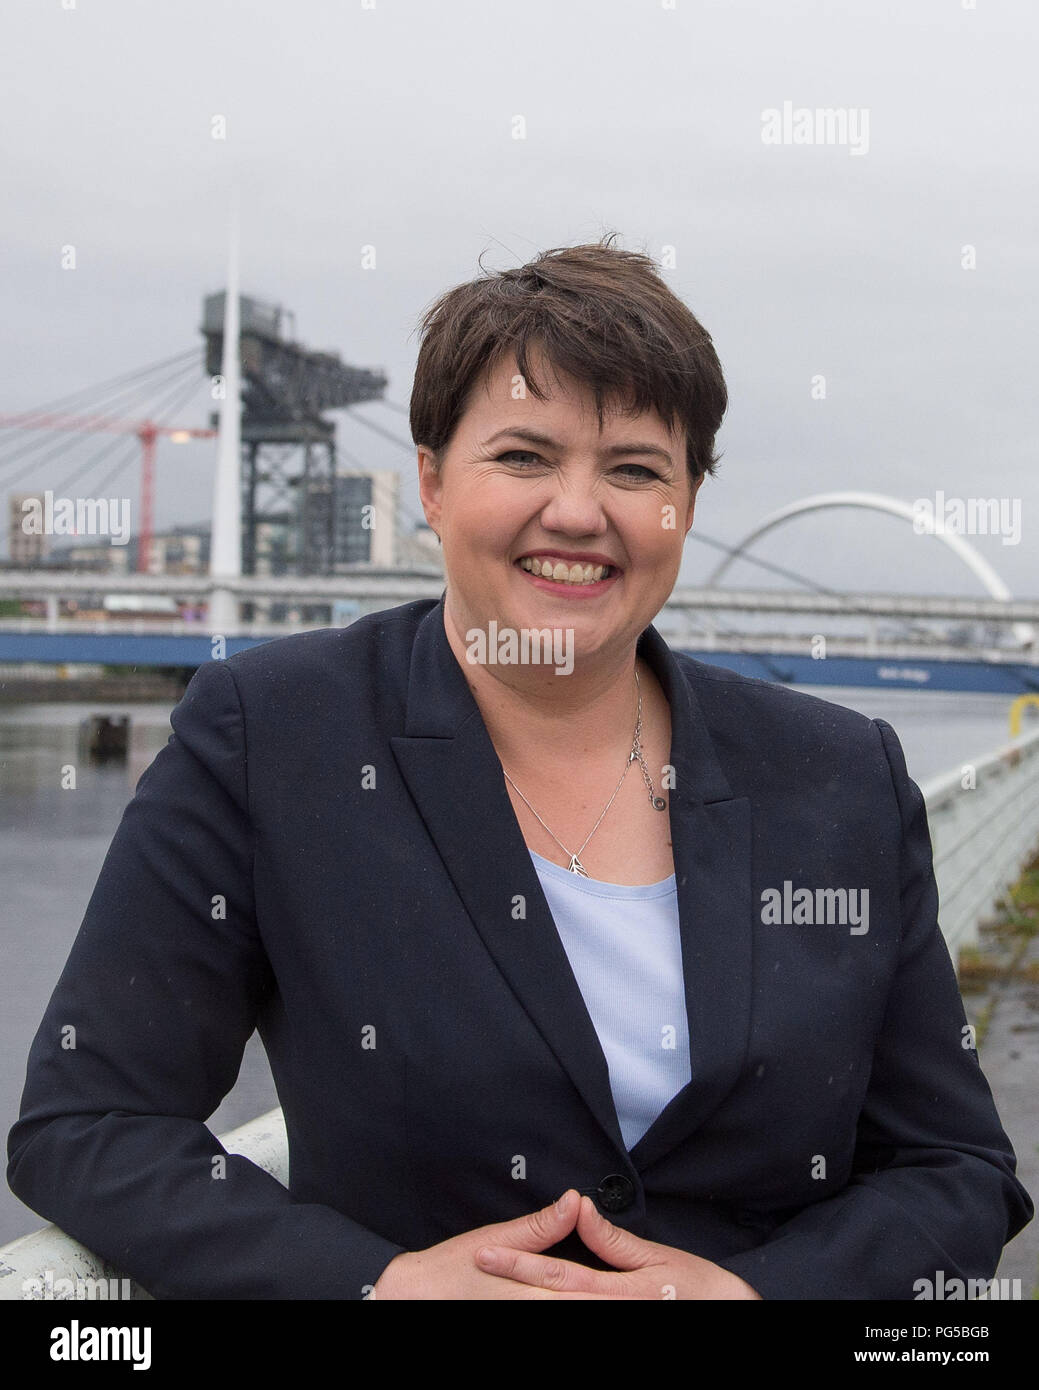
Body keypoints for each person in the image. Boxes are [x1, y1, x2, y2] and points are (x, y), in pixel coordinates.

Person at [7, 238, 1032, 1300]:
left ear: (685, 503)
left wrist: (755, 1296)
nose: (579, 512)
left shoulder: (840, 777)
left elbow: (953, 1169)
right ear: (432, 482)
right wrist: (377, 1285)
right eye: (524, 456)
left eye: (635, 468)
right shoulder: (272, 738)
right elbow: (88, 1122)